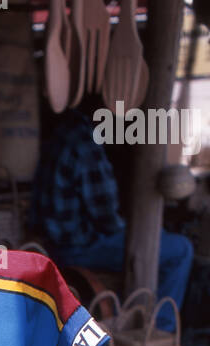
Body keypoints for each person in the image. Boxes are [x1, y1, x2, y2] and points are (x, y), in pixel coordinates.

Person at [32, 108, 193, 332]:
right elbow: (106, 218)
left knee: (162, 241)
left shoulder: (61, 132)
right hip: (77, 248)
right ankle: (159, 332)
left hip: (54, 240)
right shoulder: (84, 143)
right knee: (180, 249)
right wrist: (135, 229)